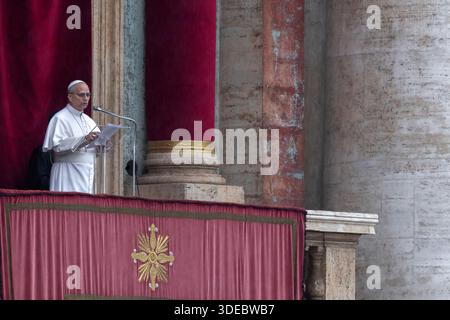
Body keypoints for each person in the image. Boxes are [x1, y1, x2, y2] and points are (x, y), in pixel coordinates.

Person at [42, 80, 100, 194]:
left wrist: (102, 145)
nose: (86, 98)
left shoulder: (90, 121)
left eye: (88, 95)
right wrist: (84, 139)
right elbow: (57, 145)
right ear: (70, 96)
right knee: (67, 209)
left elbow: (95, 149)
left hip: (87, 173)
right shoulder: (60, 118)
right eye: (81, 94)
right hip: (67, 173)